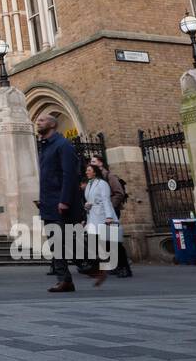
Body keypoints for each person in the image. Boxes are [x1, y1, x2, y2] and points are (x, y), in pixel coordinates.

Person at [35, 112, 87, 292]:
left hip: (60, 203)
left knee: (67, 240)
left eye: (41, 120)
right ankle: (65, 280)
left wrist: (64, 200)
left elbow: (69, 175)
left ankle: (93, 265)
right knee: (54, 242)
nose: (37, 122)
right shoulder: (44, 146)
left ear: (52, 124)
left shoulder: (63, 145)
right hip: (48, 202)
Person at [91, 155, 131, 277]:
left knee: (114, 240)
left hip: (111, 212)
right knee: (105, 240)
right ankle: (114, 264)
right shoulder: (94, 179)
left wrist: (108, 208)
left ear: (101, 163)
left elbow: (119, 193)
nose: (91, 164)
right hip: (100, 214)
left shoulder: (109, 176)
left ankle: (124, 267)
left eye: (94, 161)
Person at [79, 163, 114, 286]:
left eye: (89, 170)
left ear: (94, 172)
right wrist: (87, 206)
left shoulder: (102, 184)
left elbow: (106, 200)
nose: (86, 172)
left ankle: (102, 267)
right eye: (86, 170)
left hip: (101, 216)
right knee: (92, 241)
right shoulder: (89, 184)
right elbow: (89, 200)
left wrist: (109, 216)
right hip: (92, 216)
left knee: (99, 242)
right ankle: (99, 267)